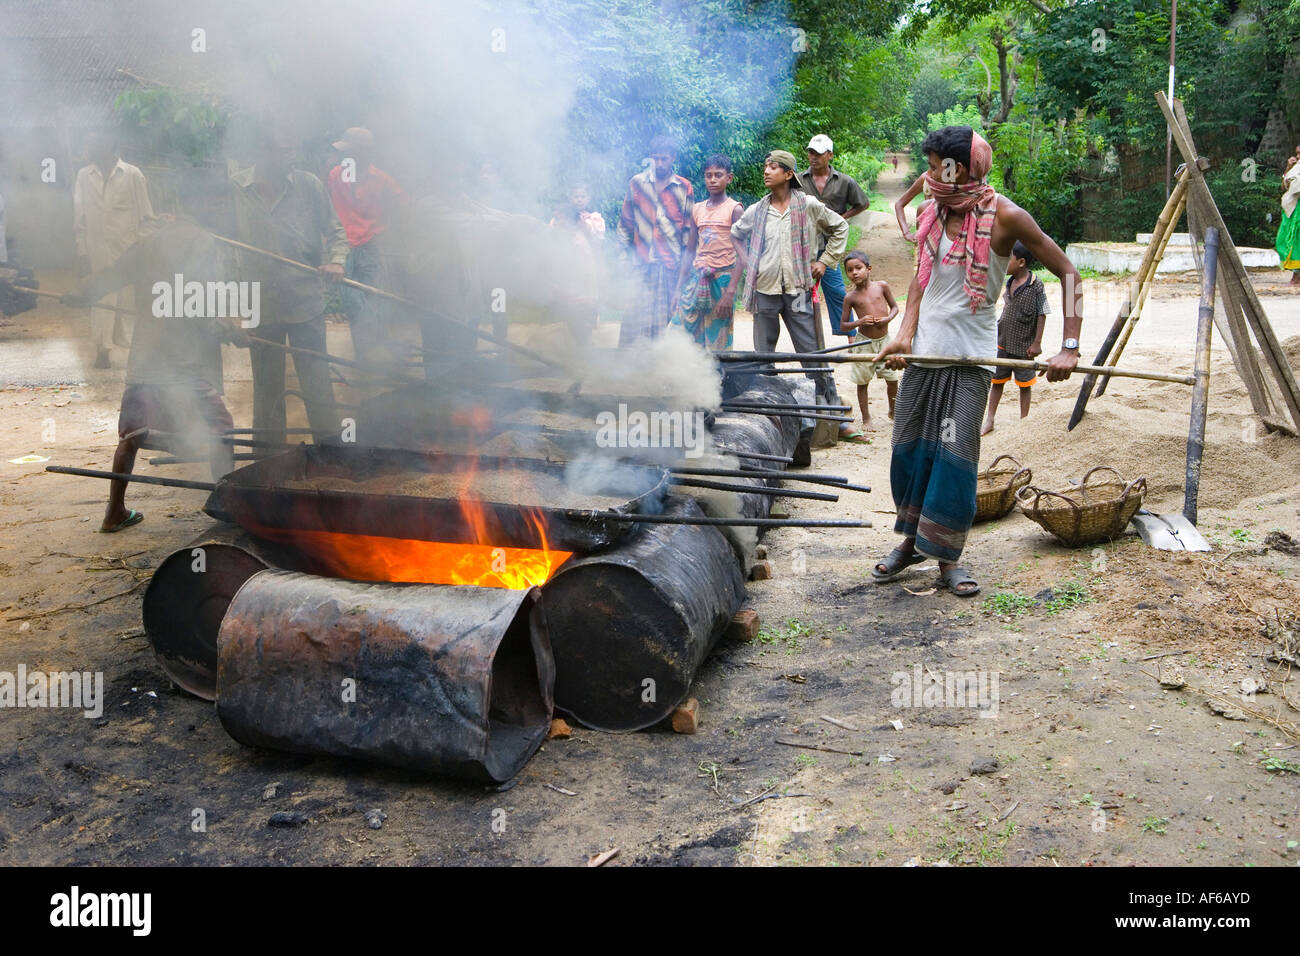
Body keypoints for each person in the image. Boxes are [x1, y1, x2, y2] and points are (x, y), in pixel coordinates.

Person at [873, 125, 1082, 597]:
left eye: (933, 167)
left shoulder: (1007, 217)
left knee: (955, 457)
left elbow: (1068, 272)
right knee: (908, 452)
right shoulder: (932, 211)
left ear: (958, 168)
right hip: (926, 353)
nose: (928, 177)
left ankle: (947, 559)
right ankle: (910, 543)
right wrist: (904, 333)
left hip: (971, 359)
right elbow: (920, 279)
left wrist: (1069, 345)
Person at [59, 220, 247, 532]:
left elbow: (109, 278)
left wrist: (81, 295)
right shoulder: (204, 243)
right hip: (185, 366)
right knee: (221, 430)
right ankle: (227, 507)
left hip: (147, 362)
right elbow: (200, 313)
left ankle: (114, 511)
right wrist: (233, 332)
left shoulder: (148, 245)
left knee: (133, 434)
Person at [228, 128, 349, 450]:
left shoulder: (309, 186)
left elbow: (336, 231)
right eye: (284, 151)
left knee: (316, 380)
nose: (291, 158)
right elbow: (222, 247)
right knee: (267, 385)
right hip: (259, 302)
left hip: (304, 299)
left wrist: (336, 262)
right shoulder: (236, 189)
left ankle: (331, 452)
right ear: (261, 154)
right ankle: (269, 458)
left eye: (293, 150)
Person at [731, 149, 848, 407]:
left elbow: (841, 227)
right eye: (765, 167)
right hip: (764, 289)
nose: (766, 171)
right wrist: (750, 261)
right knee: (763, 353)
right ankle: (767, 406)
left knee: (812, 351)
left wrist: (824, 261)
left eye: (773, 167)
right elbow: (736, 234)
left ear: (788, 174)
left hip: (798, 290)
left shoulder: (807, 205)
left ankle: (829, 409)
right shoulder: (758, 209)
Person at [73, 131, 156, 368]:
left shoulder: (132, 174)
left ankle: (133, 352)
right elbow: (79, 217)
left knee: (129, 301)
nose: (89, 147)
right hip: (97, 251)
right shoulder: (83, 176)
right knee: (100, 297)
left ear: (108, 147)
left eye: (94, 143)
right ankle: (103, 349)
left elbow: (146, 216)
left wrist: (142, 248)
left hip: (129, 251)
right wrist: (81, 251)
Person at [326, 127, 404, 366]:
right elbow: (326, 210)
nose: (343, 156)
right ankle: (367, 359)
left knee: (374, 302)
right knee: (354, 305)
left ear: (363, 153)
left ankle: (376, 360)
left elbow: (402, 209)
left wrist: (387, 233)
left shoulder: (382, 180)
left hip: (371, 246)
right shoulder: (334, 176)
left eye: (348, 151)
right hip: (344, 248)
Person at [617, 136, 694, 345]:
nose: (660, 164)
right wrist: (623, 258)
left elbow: (688, 233)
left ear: (673, 159)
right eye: (656, 159)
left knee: (659, 322)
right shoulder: (637, 183)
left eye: (665, 159)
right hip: (640, 263)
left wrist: (683, 275)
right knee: (632, 319)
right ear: (651, 158)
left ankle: (651, 370)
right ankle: (624, 369)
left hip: (669, 266)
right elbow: (626, 224)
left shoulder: (684, 187)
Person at [668, 154, 745, 350]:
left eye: (718, 175)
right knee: (679, 331)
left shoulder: (734, 210)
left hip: (721, 280)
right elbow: (690, 252)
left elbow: (742, 257)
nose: (712, 180)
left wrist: (730, 292)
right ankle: (684, 377)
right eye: (708, 175)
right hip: (696, 278)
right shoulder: (697, 209)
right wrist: (678, 288)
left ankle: (716, 380)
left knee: (717, 338)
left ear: (729, 178)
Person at [797, 134, 869, 339]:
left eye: (819, 154)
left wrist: (841, 218)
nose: (814, 157)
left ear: (830, 155)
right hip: (804, 244)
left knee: (836, 291)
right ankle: (809, 341)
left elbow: (862, 203)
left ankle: (850, 338)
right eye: (811, 152)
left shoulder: (844, 181)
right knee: (800, 293)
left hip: (830, 246)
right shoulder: (798, 180)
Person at [982, 241, 1049, 435]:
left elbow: (1042, 313)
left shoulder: (1035, 285)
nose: (1004, 262)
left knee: (1024, 384)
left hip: (1024, 346)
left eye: (1007, 258)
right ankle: (990, 419)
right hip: (1003, 341)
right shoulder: (1008, 281)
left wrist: (1037, 343)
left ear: (1021, 262)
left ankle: (1024, 421)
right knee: (997, 381)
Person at [839, 251, 900, 432]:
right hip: (863, 343)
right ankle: (866, 418)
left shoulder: (882, 287)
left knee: (892, 379)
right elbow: (843, 325)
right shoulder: (850, 297)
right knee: (863, 382)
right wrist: (859, 322)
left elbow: (895, 307)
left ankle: (893, 411)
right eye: (850, 270)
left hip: (885, 341)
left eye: (858, 268)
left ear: (869, 269)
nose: (854, 273)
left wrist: (887, 319)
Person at [1277, 145, 1300, 288]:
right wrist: (1287, 168)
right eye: (1297, 153)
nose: (1298, 156)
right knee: (1284, 240)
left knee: (1296, 243)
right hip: (1292, 211)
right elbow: (1283, 188)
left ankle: (1296, 278)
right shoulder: (1294, 169)